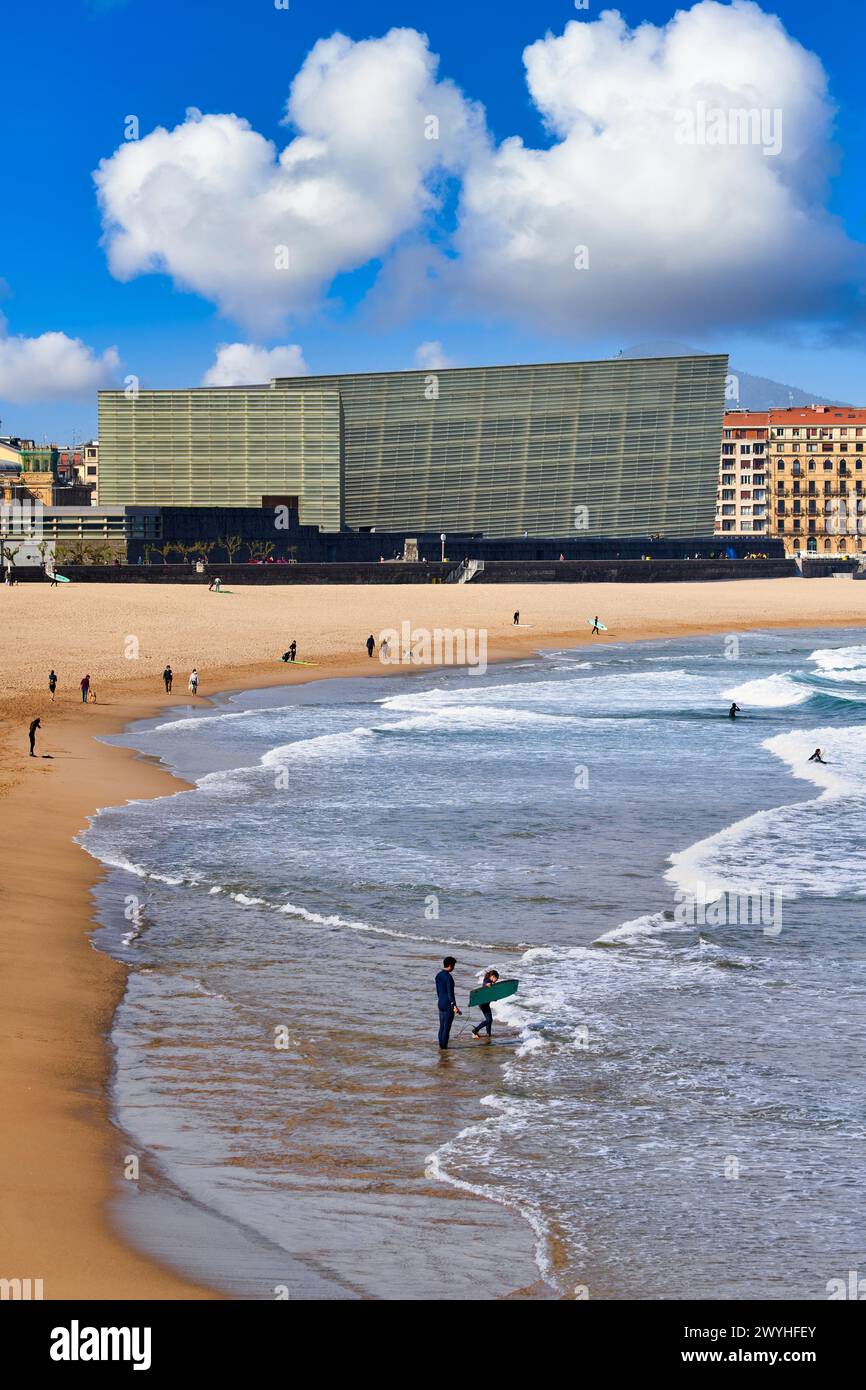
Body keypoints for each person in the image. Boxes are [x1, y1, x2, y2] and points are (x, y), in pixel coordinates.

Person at [435, 956, 461, 1050]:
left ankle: (441, 1048)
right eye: (453, 966)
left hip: (440, 1002)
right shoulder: (448, 977)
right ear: (450, 965)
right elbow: (451, 994)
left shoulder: (438, 975)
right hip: (447, 1004)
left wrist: (441, 1001)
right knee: (447, 1028)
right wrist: (454, 1006)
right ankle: (444, 1049)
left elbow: (438, 991)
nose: (454, 968)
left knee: (441, 1026)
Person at [472, 968, 500, 1041]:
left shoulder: (489, 981)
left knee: (489, 1020)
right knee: (489, 1020)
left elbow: (489, 994)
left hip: (485, 1003)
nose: (497, 980)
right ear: (493, 976)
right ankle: (475, 1030)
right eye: (497, 978)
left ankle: (488, 1034)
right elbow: (485, 984)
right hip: (483, 1003)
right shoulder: (487, 981)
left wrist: (494, 998)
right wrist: (488, 985)